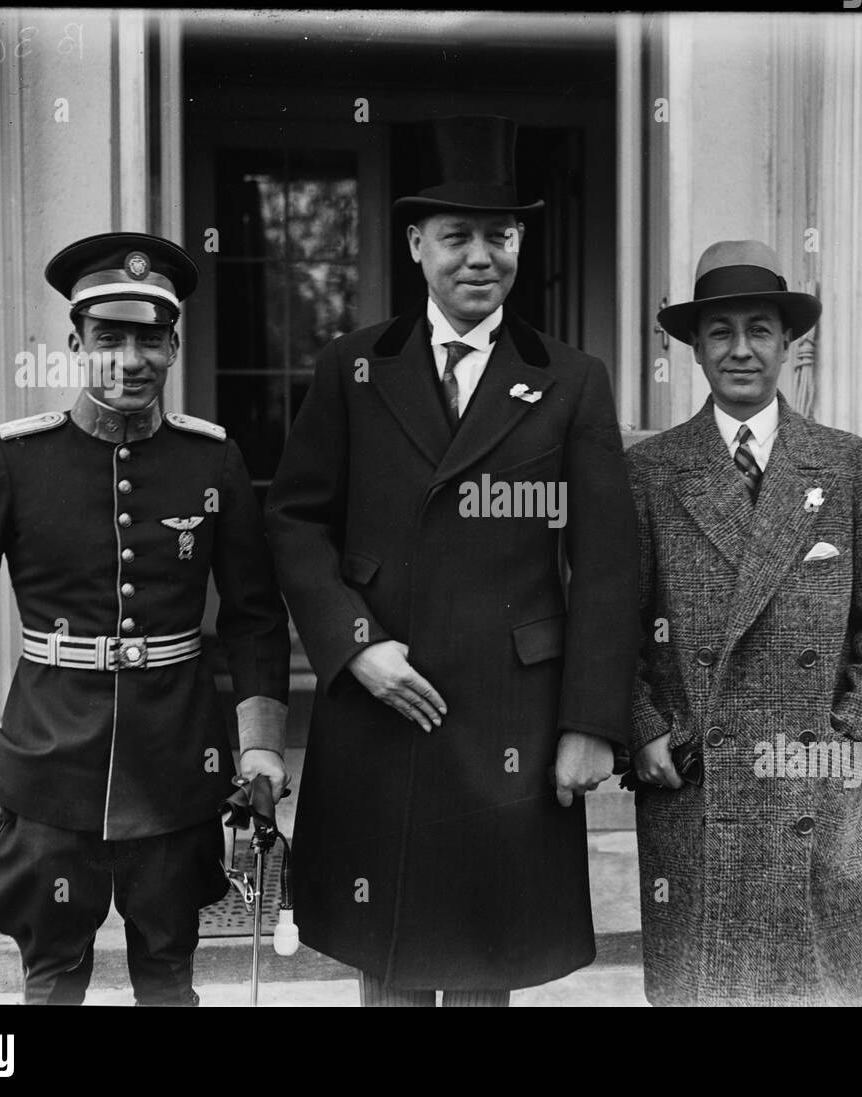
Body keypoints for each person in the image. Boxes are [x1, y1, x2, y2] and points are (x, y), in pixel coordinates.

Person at [264, 116, 639, 1006]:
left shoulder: (569, 378)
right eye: (457, 236)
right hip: (381, 708)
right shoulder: (354, 368)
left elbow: (611, 561)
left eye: (500, 237)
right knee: (387, 955)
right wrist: (356, 644)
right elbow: (293, 520)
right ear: (415, 245)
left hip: (509, 715)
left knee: (486, 960)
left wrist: (590, 722)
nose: (481, 256)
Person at [0, 232, 292, 1005]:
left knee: (168, 973)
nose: (131, 360)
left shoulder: (212, 462)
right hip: (48, 761)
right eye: (109, 339)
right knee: (55, 974)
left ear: (174, 345)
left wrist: (259, 745)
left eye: (150, 340)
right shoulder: (11, 460)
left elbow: (256, 617)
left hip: (175, 766)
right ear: (75, 344)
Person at [625, 239, 862, 1006]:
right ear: (694, 348)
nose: (740, 350)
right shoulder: (651, 471)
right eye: (720, 331)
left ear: (789, 345)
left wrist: (851, 736)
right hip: (694, 781)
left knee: (810, 988)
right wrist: (643, 726)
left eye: (759, 329)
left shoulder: (847, 463)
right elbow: (610, 622)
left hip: (811, 783)